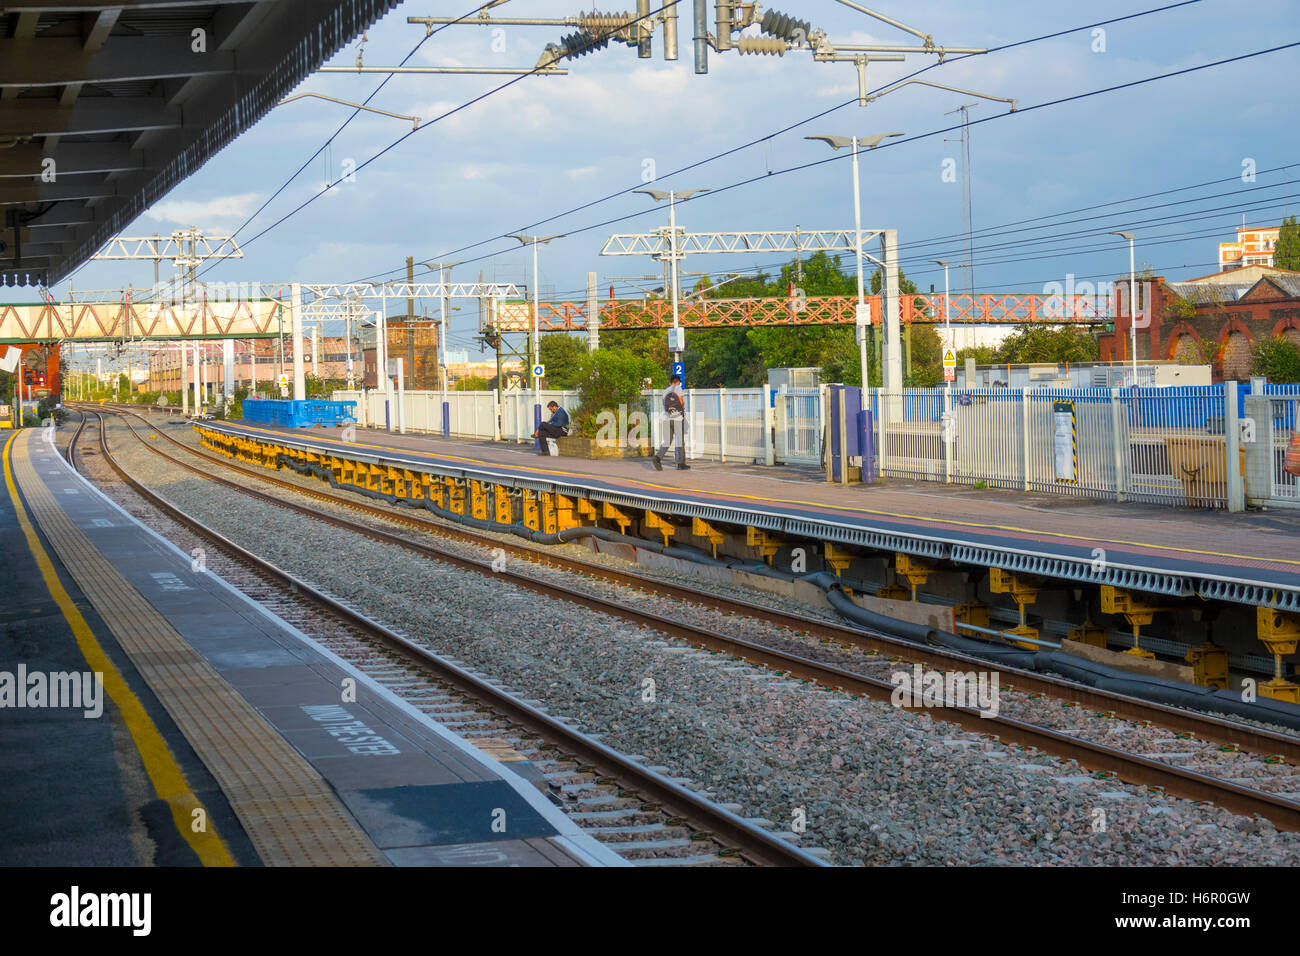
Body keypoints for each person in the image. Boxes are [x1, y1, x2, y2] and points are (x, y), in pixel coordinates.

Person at [651, 374, 689, 471]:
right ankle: (681, 464)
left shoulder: (665, 391)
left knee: (667, 441)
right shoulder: (678, 388)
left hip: (667, 418)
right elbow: (681, 402)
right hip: (677, 418)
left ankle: (657, 458)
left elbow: (665, 405)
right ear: (678, 382)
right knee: (680, 441)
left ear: (670, 382)